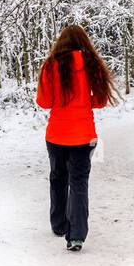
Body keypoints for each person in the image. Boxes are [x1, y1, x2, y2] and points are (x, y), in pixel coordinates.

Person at [35, 25, 116, 251]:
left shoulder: (51, 66)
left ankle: (59, 224)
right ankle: (76, 236)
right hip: (84, 136)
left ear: (61, 42)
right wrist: (82, 102)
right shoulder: (92, 66)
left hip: (56, 134)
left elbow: (44, 102)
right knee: (79, 182)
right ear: (84, 42)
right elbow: (99, 102)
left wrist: (63, 102)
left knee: (58, 178)